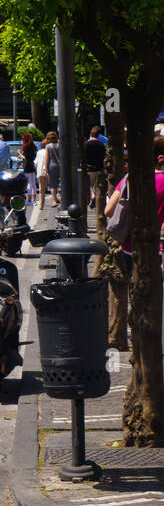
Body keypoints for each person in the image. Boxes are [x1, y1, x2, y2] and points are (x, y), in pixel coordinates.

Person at [104, 135, 164, 350]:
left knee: (137, 296)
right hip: (157, 249)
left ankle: (137, 341)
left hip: (130, 248)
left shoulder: (130, 178)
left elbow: (108, 210)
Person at [18, 131, 37, 203]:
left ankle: (29, 199)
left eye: (22, 138)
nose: (22, 140)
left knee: (28, 183)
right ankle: (34, 199)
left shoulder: (26, 147)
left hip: (28, 166)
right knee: (33, 183)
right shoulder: (33, 146)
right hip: (32, 165)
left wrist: (19, 153)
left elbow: (25, 158)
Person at [44, 131, 61, 208]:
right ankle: (62, 198)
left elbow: (47, 158)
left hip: (52, 166)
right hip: (61, 166)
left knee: (53, 183)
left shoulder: (48, 146)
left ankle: (54, 200)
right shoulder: (60, 145)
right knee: (61, 182)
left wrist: (45, 168)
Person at [35, 136, 51, 210]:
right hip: (49, 171)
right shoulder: (49, 151)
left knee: (42, 190)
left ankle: (41, 205)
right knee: (54, 187)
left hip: (40, 172)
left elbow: (36, 163)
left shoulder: (39, 152)